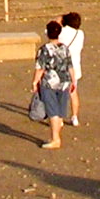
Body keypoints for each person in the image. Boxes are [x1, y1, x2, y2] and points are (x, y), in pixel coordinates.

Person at [32, 20, 74, 149]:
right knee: (61, 109)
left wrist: (34, 82)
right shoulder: (64, 48)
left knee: (52, 110)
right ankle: (56, 135)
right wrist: (73, 81)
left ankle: (55, 139)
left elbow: (41, 68)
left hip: (50, 82)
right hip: (64, 81)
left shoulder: (44, 49)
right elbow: (70, 66)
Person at [58, 11, 85, 126]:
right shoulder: (80, 34)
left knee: (59, 93)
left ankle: (59, 118)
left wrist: (59, 20)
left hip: (62, 67)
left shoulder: (62, 32)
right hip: (75, 67)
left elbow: (49, 31)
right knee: (73, 92)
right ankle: (74, 117)